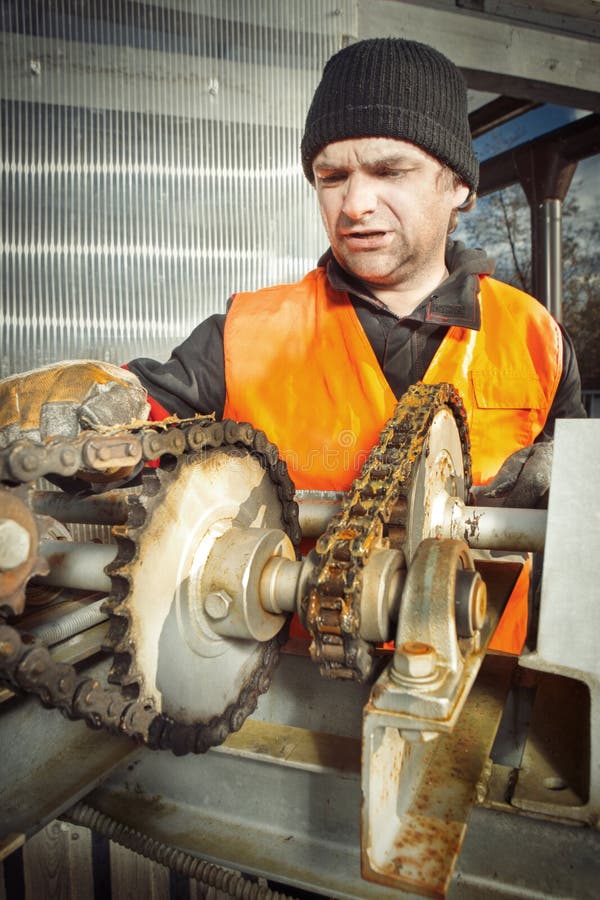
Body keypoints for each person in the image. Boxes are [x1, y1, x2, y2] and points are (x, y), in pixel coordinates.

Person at [0, 38, 586, 653]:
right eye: (331, 176)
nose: (355, 204)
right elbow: (146, 420)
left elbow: (576, 557)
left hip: (483, 687)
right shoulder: (246, 330)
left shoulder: (535, 338)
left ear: (458, 185)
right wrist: (93, 411)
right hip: (280, 698)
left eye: (389, 171)